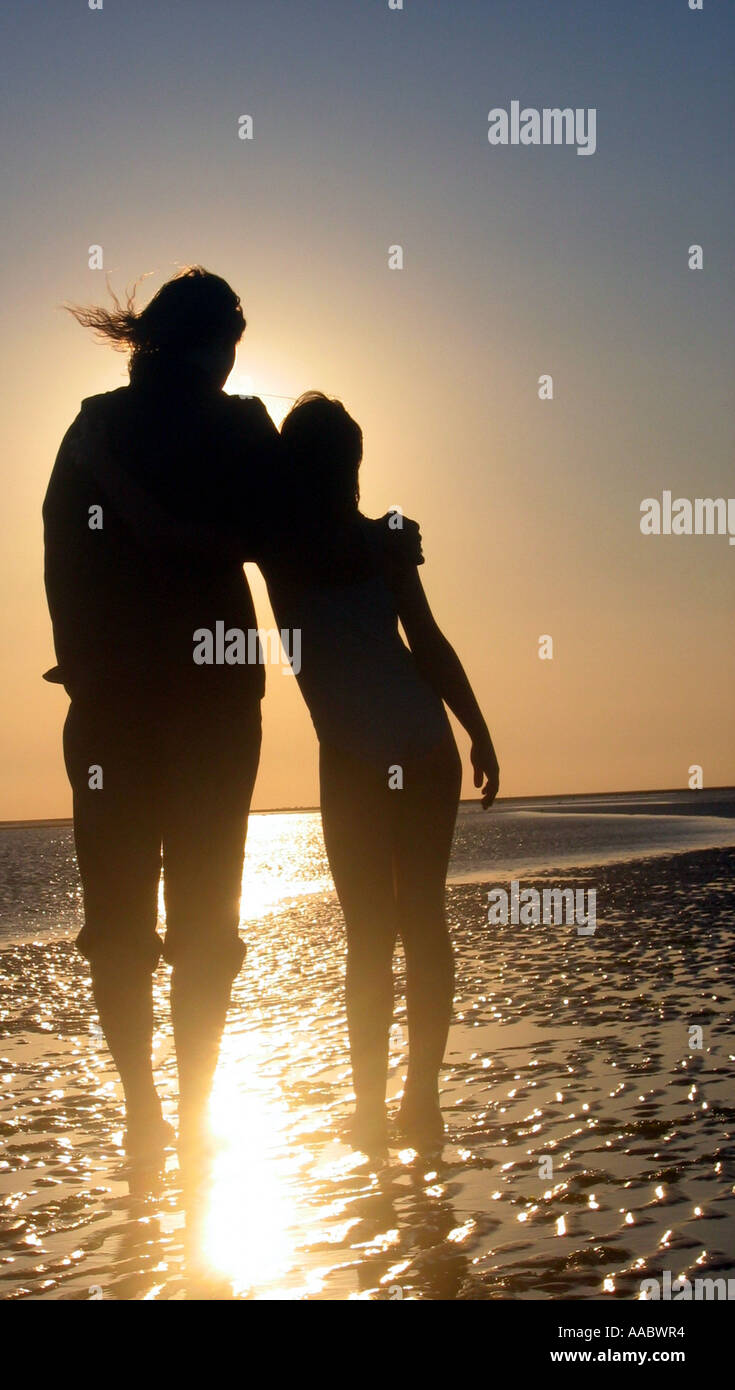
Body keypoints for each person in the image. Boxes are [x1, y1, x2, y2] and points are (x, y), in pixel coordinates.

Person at [42, 268, 281, 1167]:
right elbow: (296, 530)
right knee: (175, 923)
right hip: (178, 703)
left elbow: (61, 553)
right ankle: (168, 1112)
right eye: (224, 346)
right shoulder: (206, 425)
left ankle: (163, 1111)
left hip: (135, 703)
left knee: (145, 922)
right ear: (199, 342)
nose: (228, 364)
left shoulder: (98, 428)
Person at [266, 393, 499, 1154]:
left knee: (380, 933)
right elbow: (425, 643)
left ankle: (395, 1105)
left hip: (384, 753)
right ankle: (401, 1104)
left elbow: (426, 639)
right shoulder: (329, 543)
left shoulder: (295, 545)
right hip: (398, 747)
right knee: (404, 927)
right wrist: (475, 730)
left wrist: (479, 729)